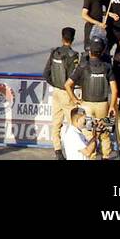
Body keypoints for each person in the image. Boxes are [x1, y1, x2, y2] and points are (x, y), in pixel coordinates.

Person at [65, 36, 116, 156]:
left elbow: (68, 85)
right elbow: (115, 90)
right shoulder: (107, 67)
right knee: (104, 134)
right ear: (103, 51)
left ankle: (91, 157)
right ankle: (106, 156)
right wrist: (112, 106)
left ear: (89, 51)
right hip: (103, 105)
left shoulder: (83, 67)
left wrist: (75, 99)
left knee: (88, 135)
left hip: (86, 105)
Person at [42, 27, 81, 160]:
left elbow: (45, 73)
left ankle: (58, 152)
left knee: (56, 123)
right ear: (73, 39)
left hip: (56, 92)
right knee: (74, 122)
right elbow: (74, 76)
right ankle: (76, 150)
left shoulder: (54, 52)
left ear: (62, 38)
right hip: (67, 93)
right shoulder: (73, 55)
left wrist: (55, 85)